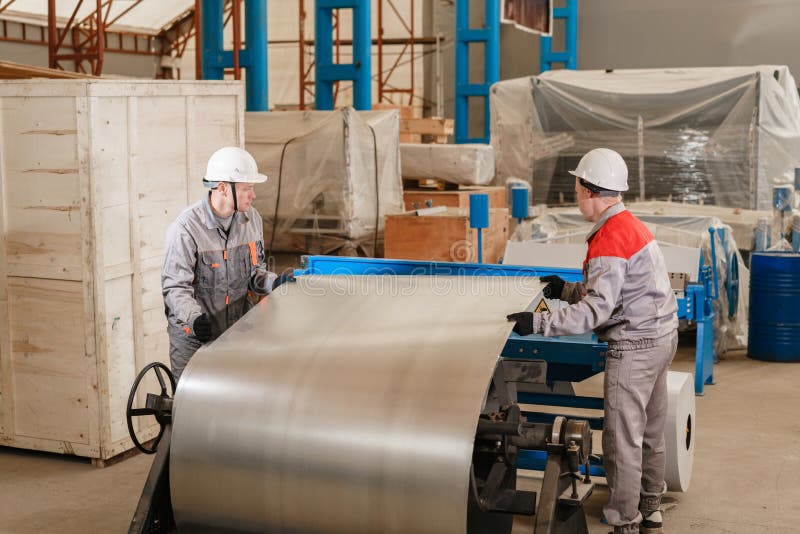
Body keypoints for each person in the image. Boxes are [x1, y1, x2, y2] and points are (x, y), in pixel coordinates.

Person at [507, 148, 678, 534]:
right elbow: (617, 289)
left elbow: (598, 311)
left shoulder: (609, 237)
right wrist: (567, 290)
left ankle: (625, 522)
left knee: (621, 440)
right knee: (650, 431)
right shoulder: (630, 226)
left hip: (634, 346)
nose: (575, 196)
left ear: (589, 189)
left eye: (577, 188)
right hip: (660, 337)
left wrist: (537, 322)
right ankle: (650, 507)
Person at [162, 146, 294, 380]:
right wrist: (195, 320)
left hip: (236, 332)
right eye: (247, 189)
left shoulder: (251, 219)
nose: (253, 196)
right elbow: (175, 289)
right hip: (195, 338)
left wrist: (274, 282)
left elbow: (255, 273)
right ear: (222, 188)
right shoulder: (185, 229)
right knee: (192, 409)